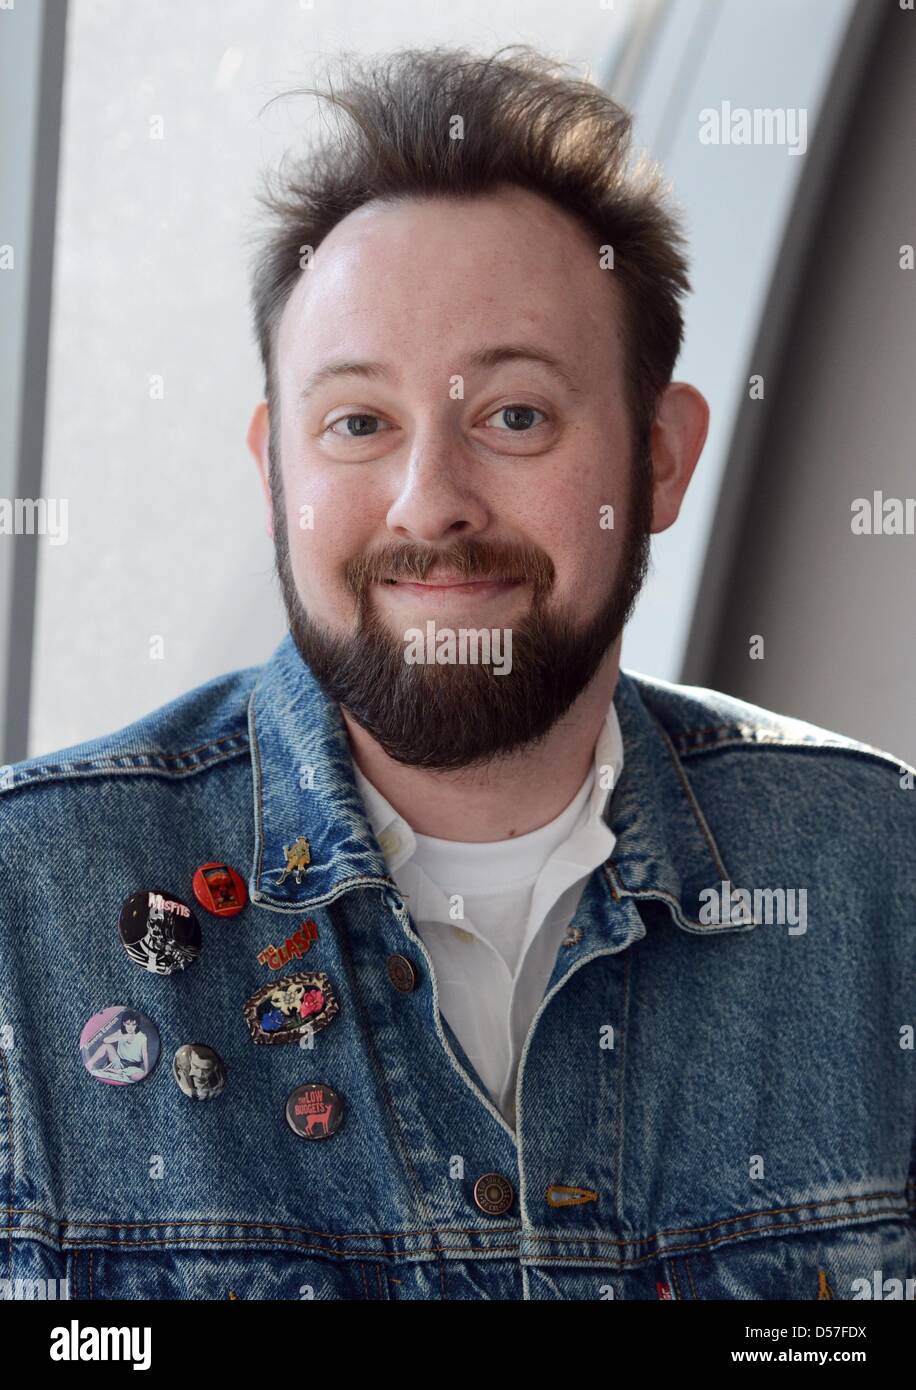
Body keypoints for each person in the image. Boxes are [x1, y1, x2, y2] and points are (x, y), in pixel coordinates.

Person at [0, 45, 913, 1302]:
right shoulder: (26, 914)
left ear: (659, 455)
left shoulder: (880, 876)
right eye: (359, 424)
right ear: (276, 469)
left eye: (517, 415)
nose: (430, 503)